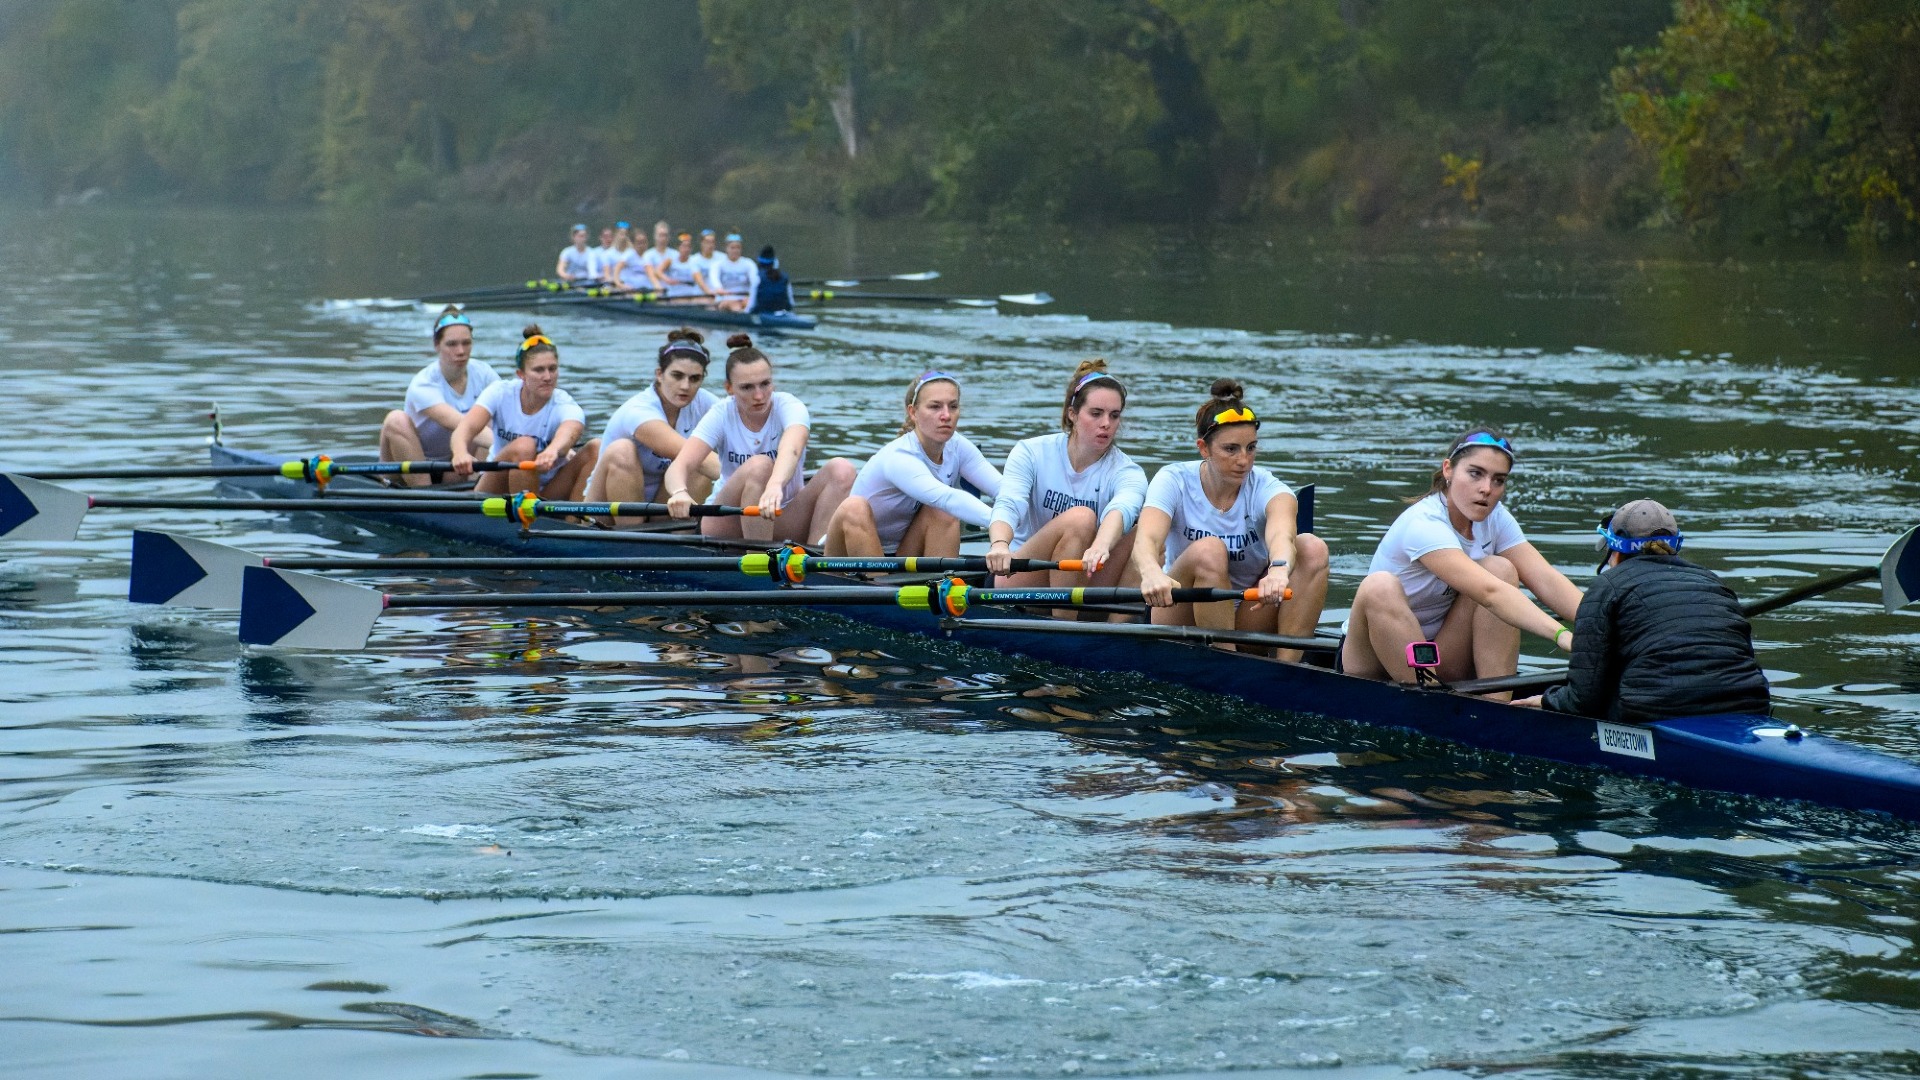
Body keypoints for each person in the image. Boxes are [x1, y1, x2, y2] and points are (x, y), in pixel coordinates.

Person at [1341, 426, 1583, 687]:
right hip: (1372, 658)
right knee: (1379, 586)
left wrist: (1609, 625)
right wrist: (1560, 634)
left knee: (1499, 568)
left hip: (1438, 656)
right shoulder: (1424, 523)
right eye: (1475, 474)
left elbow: (1545, 578)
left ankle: (1497, 704)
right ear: (1448, 469)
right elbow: (1491, 593)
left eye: (1498, 480)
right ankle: (1430, 701)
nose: (1486, 489)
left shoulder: (1496, 517)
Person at [1515, 500, 1770, 719]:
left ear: (1614, 551)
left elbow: (1582, 699)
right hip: (1748, 704)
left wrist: (1548, 701)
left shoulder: (1607, 586)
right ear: (1674, 546)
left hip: (1657, 709)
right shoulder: (1714, 582)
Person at [1130, 379, 1329, 660]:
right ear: (1204, 448)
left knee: (1312, 547)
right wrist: (1151, 573)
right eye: (1231, 449)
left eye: (1251, 448)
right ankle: (1227, 662)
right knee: (1209, 550)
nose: (1244, 460)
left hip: (1250, 613)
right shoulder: (1173, 480)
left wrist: (1279, 570)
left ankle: (1286, 669)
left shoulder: (1268, 488)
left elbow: (1281, 535)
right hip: (1179, 612)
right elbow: (1146, 540)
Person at [661, 334, 855, 543]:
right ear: (729, 388)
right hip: (726, 522)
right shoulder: (721, 413)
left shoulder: (790, 406)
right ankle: (759, 557)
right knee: (760, 465)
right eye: (747, 387)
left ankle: (817, 562)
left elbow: (792, 449)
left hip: (781, 513)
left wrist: (774, 486)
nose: (759, 396)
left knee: (842, 469)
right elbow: (679, 466)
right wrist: (679, 492)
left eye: (765, 384)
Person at [985, 359, 1146, 593]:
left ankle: (1115, 626)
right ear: (1072, 414)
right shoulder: (1031, 452)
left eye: (1114, 415)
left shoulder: (1128, 471)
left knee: (1150, 528)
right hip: (1017, 576)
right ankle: (1066, 622)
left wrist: (1100, 545)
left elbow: (1122, 508)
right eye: (1096, 413)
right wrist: (999, 544)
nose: (1106, 424)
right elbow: (1009, 503)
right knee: (1081, 518)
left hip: (1087, 572)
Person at [825, 371, 1002, 557]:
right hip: (847, 554)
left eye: (953, 406)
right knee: (854, 507)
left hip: (902, 552)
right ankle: (879, 585)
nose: (946, 415)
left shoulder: (957, 445)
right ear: (913, 412)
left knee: (942, 512)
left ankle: (941, 583)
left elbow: (1003, 488)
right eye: (935, 407)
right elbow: (949, 498)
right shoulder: (900, 456)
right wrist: (1003, 524)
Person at [450, 325, 599, 499]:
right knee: (524, 446)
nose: (548, 377)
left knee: (596, 447)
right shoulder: (500, 392)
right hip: (497, 485)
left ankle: (576, 521)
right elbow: (464, 429)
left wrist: (552, 450)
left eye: (552, 368)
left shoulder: (564, 403)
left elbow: (571, 430)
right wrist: (460, 453)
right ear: (521, 374)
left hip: (547, 490)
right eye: (539, 370)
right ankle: (525, 521)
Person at [585, 327, 722, 512]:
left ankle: (679, 536)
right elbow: (700, 458)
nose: (685, 386)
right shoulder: (639, 410)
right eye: (677, 375)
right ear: (659, 374)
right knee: (622, 450)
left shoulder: (706, 402)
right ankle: (632, 535)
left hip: (662, 507)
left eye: (695, 379)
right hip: (605, 510)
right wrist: (746, 477)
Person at [378, 307, 500, 486]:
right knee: (395, 419)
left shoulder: (484, 373)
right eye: (452, 344)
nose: (460, 351)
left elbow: (508, 410)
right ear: (437, 345)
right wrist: (509, 446)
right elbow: (459, 423)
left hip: (454, 467)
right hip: (411, 466)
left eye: (466, 343)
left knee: (494, 417)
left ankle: (477, 485)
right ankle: (425, 495)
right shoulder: (424, 383)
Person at [709, 233, 761, 313]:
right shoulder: (718, 265)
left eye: (738, 248)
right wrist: (719, 289)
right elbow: (714, 280)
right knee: (734, 305)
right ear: (726, 248)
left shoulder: (749, 263)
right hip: (725, 299)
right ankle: (741, 314)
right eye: (732, 248)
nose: (735, 250)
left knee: (747, 303)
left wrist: (750, 297)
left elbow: (755, 282)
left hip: (744, 298)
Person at [602, 222, 650, 295]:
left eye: (626, 234)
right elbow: (607, 275)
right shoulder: (608, 254)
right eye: (621, 234)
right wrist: (618, 284)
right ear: (616, 235)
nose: (624, 237)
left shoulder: (633, 252)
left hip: (633, 287)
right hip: (616, 286)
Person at [658, 233, 707, 302]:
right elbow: (658, 271)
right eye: (684, 246)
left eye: (688, 247)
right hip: (674, 295)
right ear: (678, 247)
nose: (686, 249)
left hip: (690, 296)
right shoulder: (671, 260)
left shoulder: (694, 261)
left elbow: (699, 279)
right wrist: (667, 279)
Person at [751, 246, 795, 315]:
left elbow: (751, 305)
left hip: (762, 314)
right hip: (783, 313)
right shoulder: (785, 277)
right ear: (774, 262)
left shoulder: (757, 277)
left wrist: (744, 315)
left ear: (760, 262)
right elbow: (791, 303)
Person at [639, 220, 675, 294]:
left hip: (673, 292)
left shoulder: (675, 254)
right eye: (660, 235)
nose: (663, 238)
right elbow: (651, 274)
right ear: (655, 236)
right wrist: (659, 288)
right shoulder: (648, 255)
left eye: (665, 235)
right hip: (654, 292)